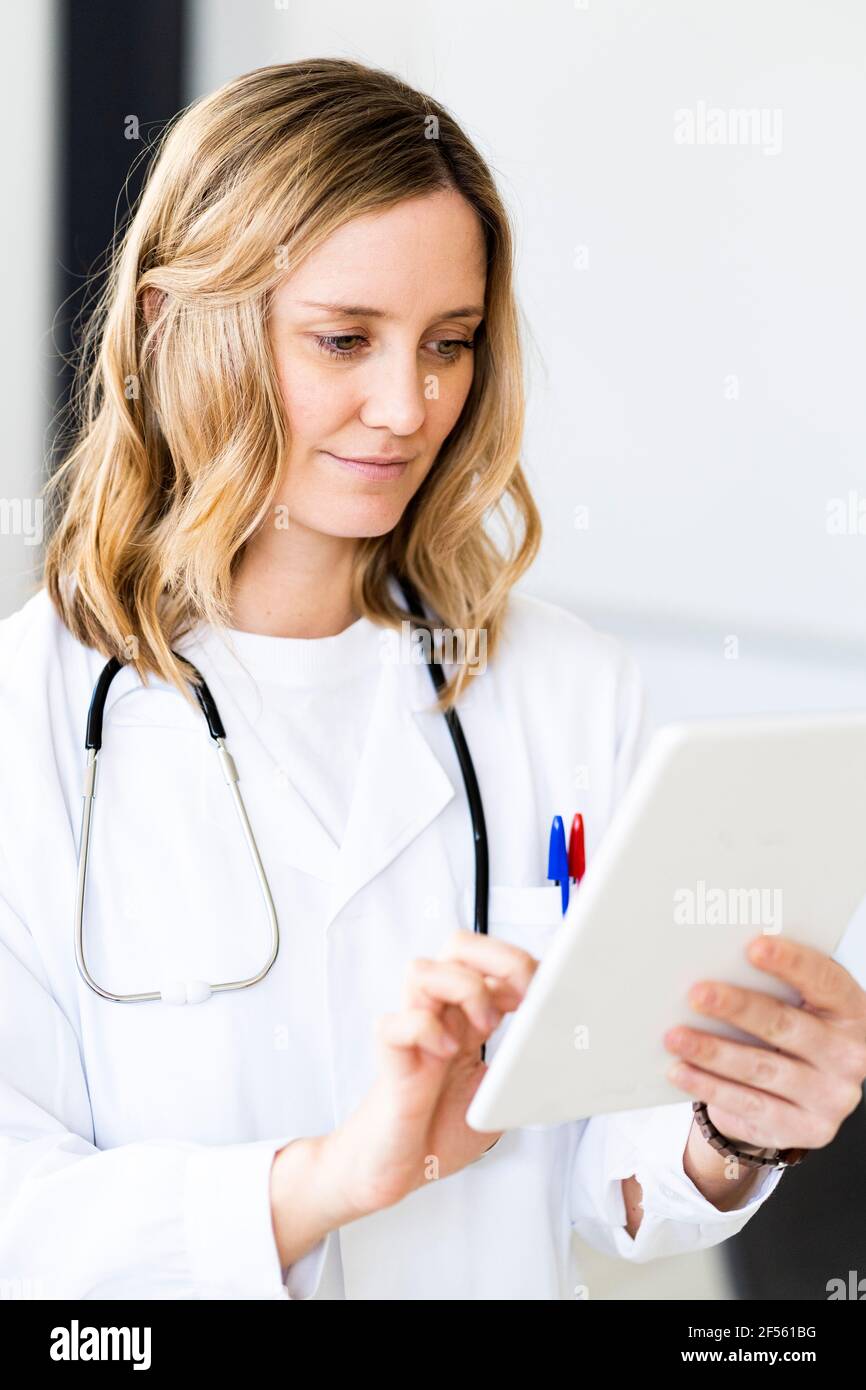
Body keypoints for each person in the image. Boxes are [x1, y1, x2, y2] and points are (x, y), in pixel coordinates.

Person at [1, 58, 863, 1301]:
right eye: (343, 339)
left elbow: (613, 1165)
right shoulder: (29, 718)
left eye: (447, 344)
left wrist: (735, 1127)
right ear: (166, 325)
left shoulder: (561, 688)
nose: (407, 406)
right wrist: (333, 1176)